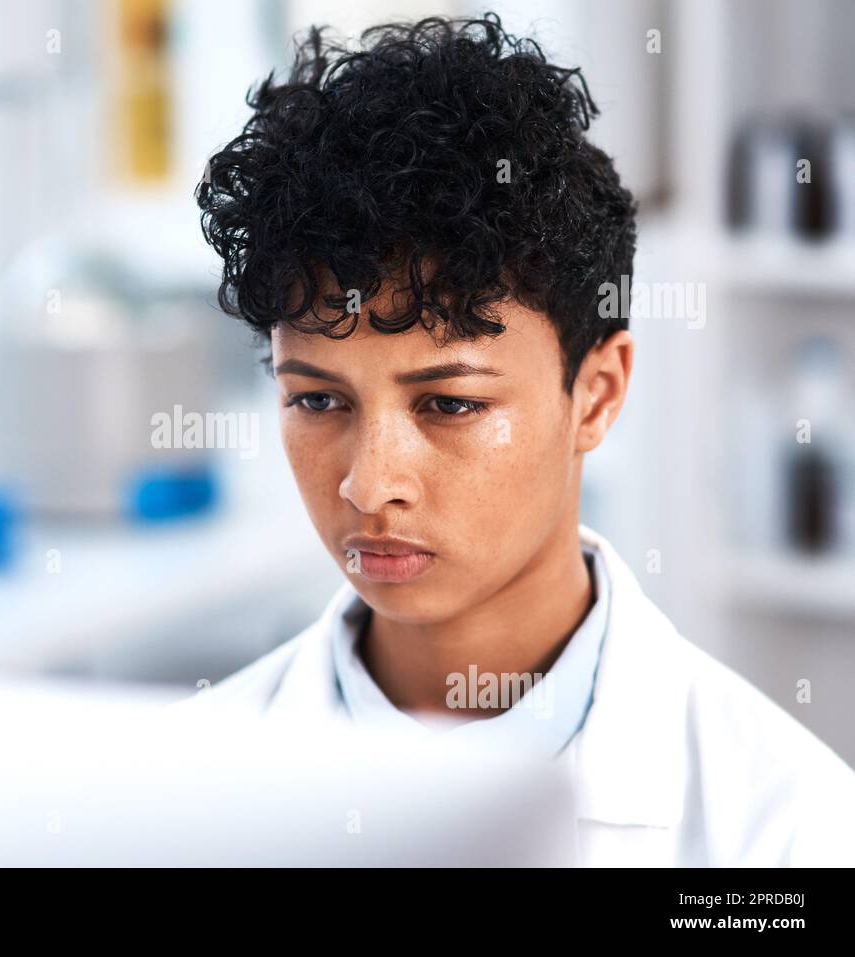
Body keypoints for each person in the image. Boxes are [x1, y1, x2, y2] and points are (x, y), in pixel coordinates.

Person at [178, 13, 855, 866]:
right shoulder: (173, 793)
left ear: (597, 395)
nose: (369, 483)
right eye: (318, 400)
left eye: (450, 405)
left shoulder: (788, 834)